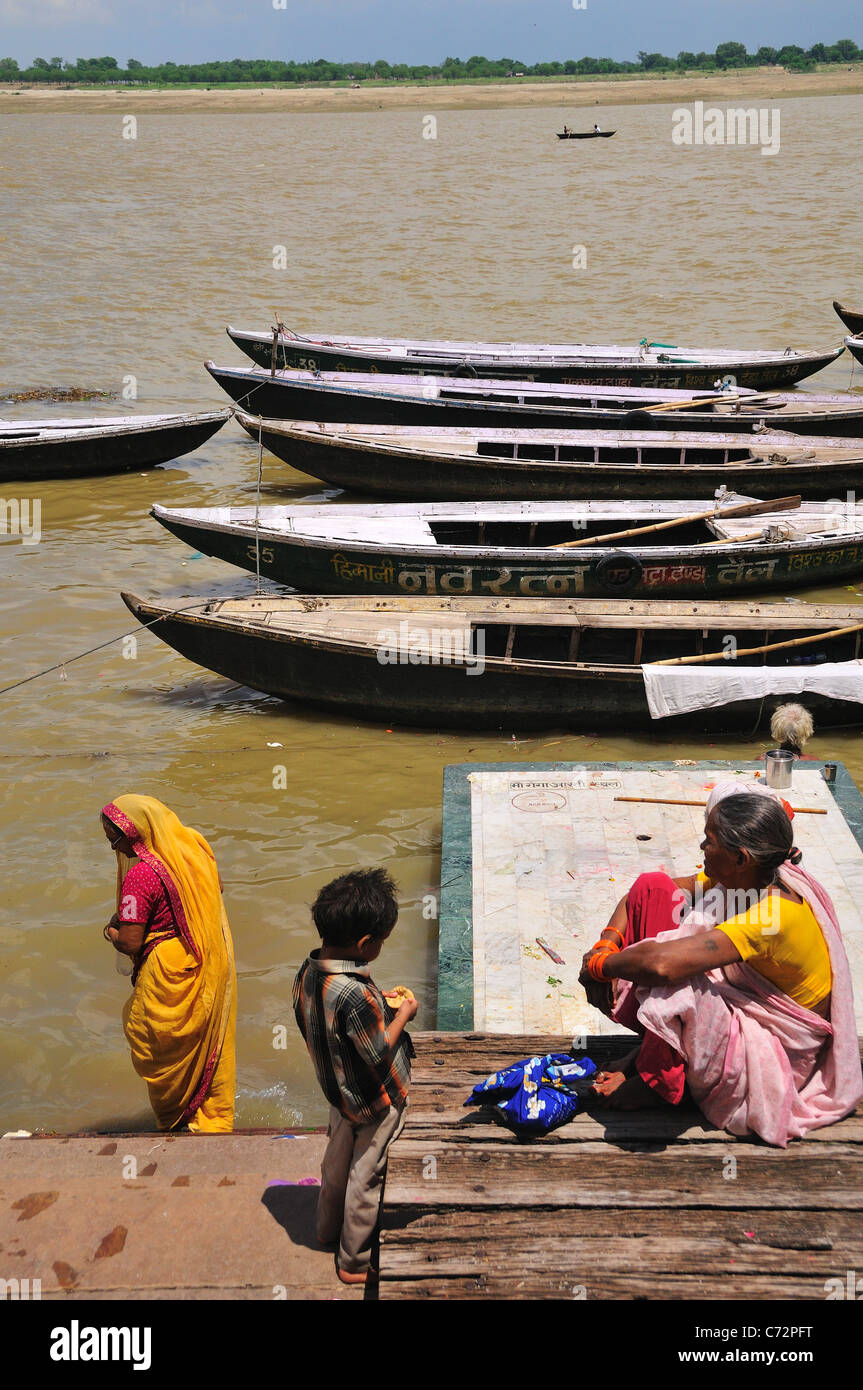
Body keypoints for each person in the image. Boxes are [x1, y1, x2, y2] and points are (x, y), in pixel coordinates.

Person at [579, 783, 862, 1146]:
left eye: (709, 840)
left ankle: (659, 1083)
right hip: (744, 1007)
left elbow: (665, 966)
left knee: (676, 978)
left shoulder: (772, 916)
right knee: (654, 889)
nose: (701, 848)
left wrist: (602, 967)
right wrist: (605, 943)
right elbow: (647, 891)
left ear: (741, 857)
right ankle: (653, 1055)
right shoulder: (750, 876)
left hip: (776, 1050)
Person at [293, 868, 417, 1285]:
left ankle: (326, 1230)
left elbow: (328, 1027)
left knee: (335, 1166)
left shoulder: (306, 974)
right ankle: (353, 1261)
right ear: (366, 944)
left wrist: (378, 1003)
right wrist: (401, 1013)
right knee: (367, 1174)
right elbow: (379, 1055)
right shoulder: (357, 993)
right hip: (373, 1101)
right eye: (381, 941)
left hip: (338, 1095)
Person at [101, 795, 237, 1133]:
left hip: (167, 973)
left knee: (158, 1049)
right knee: (208, 1045)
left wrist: (110, 930)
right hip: (206, 959)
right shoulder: (193, 847)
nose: (113, 847)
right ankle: (211, 1119)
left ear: (136, 832)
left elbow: (131, 941)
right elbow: (216, 887)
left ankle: (178, 1121)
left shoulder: (141, 877)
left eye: (115, 839)